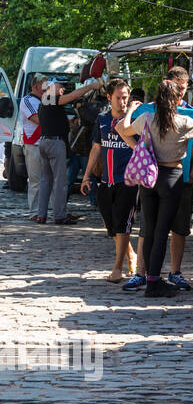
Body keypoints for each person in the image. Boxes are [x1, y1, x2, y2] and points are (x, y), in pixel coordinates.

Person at [117, 80, 193, 298]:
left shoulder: (147, 118)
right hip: (172, 178)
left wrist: (131, 108)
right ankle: (153, 282)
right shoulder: (184, 121)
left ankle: (149, 277)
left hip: (149, 178)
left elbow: (122, 128)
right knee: (162, 232)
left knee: (149, 230)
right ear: (177, 100)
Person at [81, 78, 138, 282]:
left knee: (123, 224)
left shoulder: (134, 120)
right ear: (109, 98)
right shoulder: (102, 120)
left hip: (128, 181)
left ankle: (117, 268)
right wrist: (86, 176)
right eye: (118, 98)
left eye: (125, 98)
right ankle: (131, 254)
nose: (123, 102)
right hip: (106, 181)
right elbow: (96, 148)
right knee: (112, 225)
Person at [34, 77, 101, 225]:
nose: (63, 88)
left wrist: (70, 123)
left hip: (44, 142)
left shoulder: (45, 101)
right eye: (60, 85)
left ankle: (41, 215)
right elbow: (73, 96)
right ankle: (59, 216)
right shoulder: (51, 97)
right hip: (55, 143)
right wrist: (91, 87)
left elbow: (53, 120)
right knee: (60, 182)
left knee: (46, 180)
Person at [19, 76, 45, 215]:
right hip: (34, 144)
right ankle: (35, 212)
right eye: (44, 85)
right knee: (36, 180)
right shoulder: (27, 100)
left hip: (47, 143)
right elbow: (37, 120)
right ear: (36, 86)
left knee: (52, 180)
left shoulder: (46, 100)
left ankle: (53, 211)